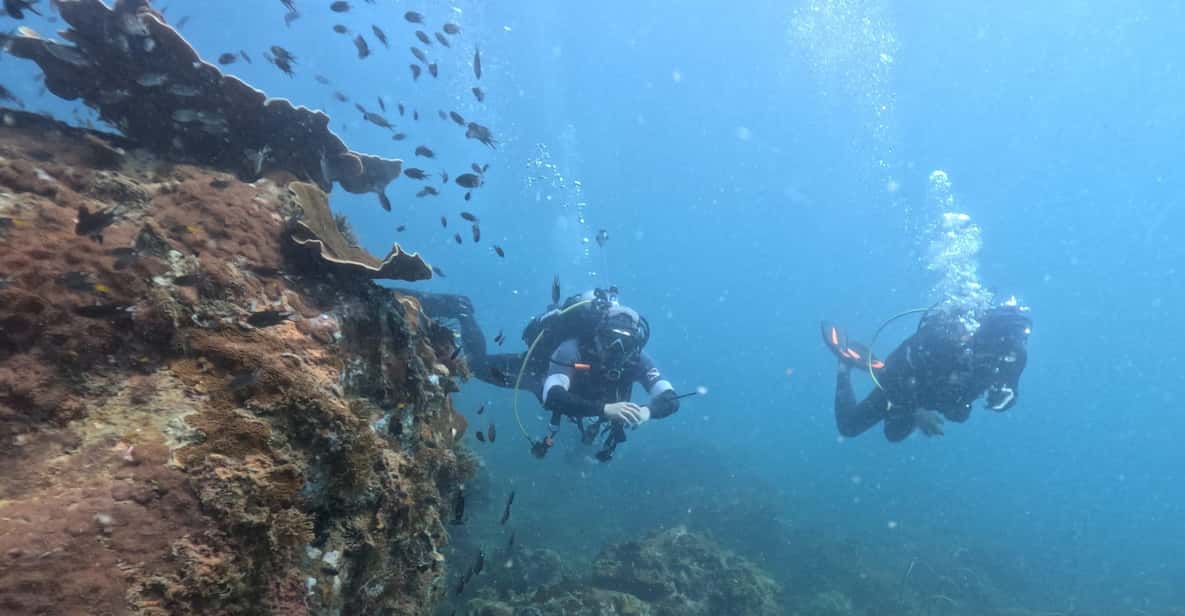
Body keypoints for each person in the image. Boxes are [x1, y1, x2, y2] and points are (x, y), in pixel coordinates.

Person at [407, 287, 682, 461]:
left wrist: (648, 411)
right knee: (476, 366)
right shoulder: (572, 348)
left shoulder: (637, 360)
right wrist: (605, 409)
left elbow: (670, 398)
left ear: (636, 344)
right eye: (610, 339)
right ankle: (461, 308)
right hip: (538, 372)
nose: (616, 348)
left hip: (585, 400)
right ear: (598, 334)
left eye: (626, 343)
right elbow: (553, 396)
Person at [820, 300, 1031, 441]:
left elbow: (1011, 392)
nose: (1006, 351)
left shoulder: (1014, 355)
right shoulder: (947, 341)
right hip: (905, 385)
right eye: (1002, 342)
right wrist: (916, 411)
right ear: (987, 335)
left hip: (944, 397)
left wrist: (1006, 396)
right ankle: (844, 366)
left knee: (953, 415)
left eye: (1015, 342)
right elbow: (894, 370)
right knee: (856, 428)